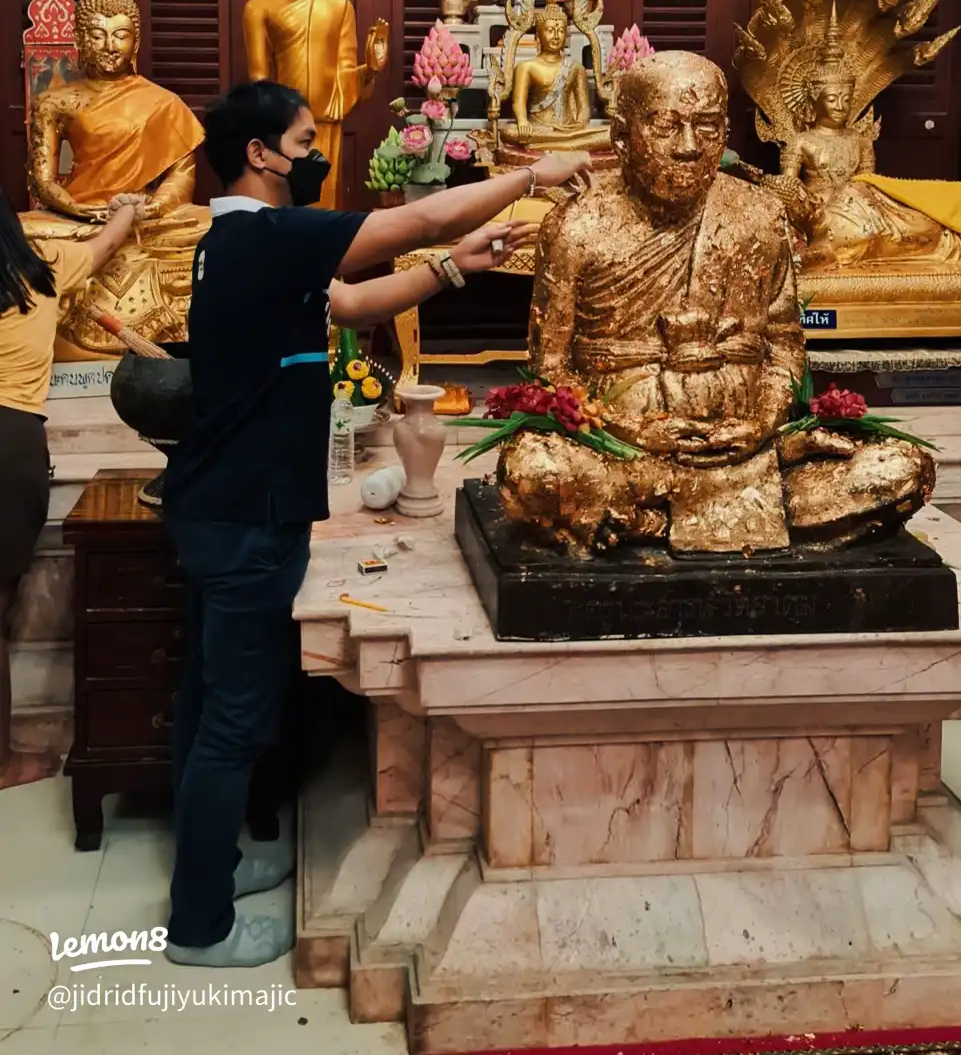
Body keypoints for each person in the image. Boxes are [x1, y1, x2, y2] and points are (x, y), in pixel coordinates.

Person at [161, 80, 592, 968]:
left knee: (212, 701)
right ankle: (198, 923)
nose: (317, 151)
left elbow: (349, 306)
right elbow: (422, 215)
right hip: (243, 515)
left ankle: (215, 864)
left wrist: (458, 266)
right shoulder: (268, 234)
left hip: (231, 504)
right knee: (231, 721)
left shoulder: (240, 243)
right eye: (306, 138)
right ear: (261, 154)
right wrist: (532, 175)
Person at [0, 188, 140, 786]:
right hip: (10, 443)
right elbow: (109, 242)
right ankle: (3, 762)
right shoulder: (42, 276)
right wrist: (127, 208)